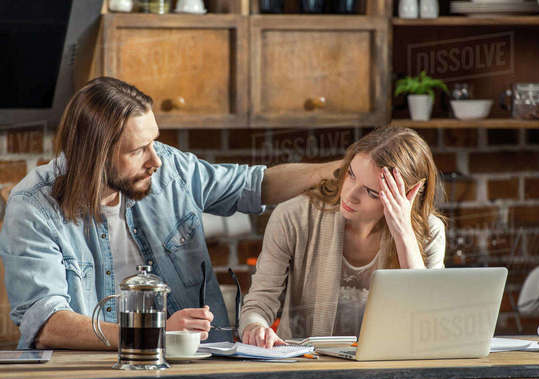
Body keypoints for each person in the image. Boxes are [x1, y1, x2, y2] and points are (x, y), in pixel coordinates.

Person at [0, 77, 340, 350]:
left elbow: (256, 185)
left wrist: (340, 169)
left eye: (154, 142)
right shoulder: (32, 207)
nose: (156, 160)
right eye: (138, 150)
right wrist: (152, 334)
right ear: (96, 156)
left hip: (201, 367)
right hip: (92, 378)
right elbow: (44, 322)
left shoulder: (169, 168)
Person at [240, 126, 446, 348]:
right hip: (307, 366)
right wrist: (256, 328)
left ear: (408, 198)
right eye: (351, 175)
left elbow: (429, 324)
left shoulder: (429, 231)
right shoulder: (294, 216)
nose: (350, 195)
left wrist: (404, 234)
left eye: (371, 192)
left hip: (389, 369)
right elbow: (258, 304)